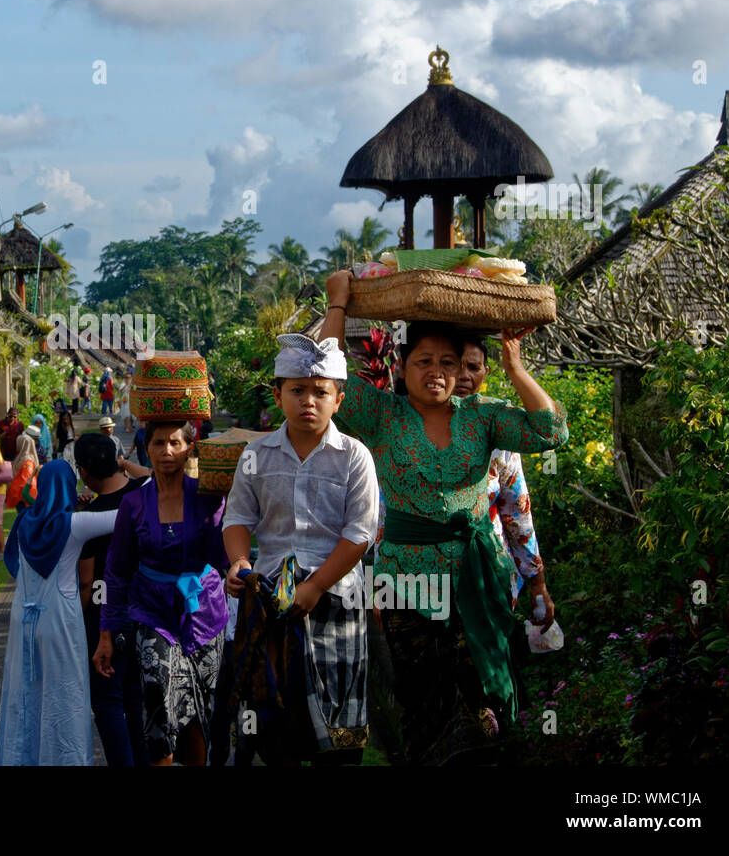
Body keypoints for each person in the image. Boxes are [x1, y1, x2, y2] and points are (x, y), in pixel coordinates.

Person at [320, 270, 569, 765]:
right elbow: (328, 373)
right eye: (425, 361)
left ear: (460, 371)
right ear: (402, 366)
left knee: (482, 695)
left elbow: (552, 431)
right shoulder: (381, 415)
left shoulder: (484, 415)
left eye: (448, 362)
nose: (436, 371)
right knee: (421, 697)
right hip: (406, 580)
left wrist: (515, 367)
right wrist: (339, 305)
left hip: (477, 575)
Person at [223, 334, 379, 764]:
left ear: (338, 400)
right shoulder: (255, 455)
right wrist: (239, 561)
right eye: (297, 390)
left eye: (320, 391)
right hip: (272, 599)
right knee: (276, 726)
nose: (308, 400)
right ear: (278, 395)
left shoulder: (354, 456)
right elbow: (237, 518)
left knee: (338, 733)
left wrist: (314, 588)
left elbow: (360, 533)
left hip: (335, 602)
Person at [95, 421, 229, 766]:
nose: (166, 451)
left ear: (189, 448)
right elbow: (117, 570)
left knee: (201, 704)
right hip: (152, 611)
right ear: (147, 449)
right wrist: (106, 634)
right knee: (156, 694)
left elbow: (223, 557)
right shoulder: (134, 503)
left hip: (203, 612)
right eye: (158, 443)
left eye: (174, 443)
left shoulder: (209, 497)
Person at [0, 460, 120, 765]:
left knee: (23, 695)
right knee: (65, 697)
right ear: (67, 486)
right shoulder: (74, 525)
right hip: (60, 617)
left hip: (22, 617)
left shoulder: (24, 522)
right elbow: (124, 516)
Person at [455, 336, 556, 626]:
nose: (464, 376)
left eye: (473, 367)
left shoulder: (497, 427)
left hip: (490, 573)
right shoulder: (406, 426)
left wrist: (537, 583)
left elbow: (517, 512)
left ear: (486, 372)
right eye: (454, 365)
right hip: (420, 579)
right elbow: (386, 513)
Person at [74, 434, 148, 766]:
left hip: (105, 616)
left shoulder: (88, 517)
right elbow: (148, 473)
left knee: (106, 700)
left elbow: (86, 581)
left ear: (84, 472)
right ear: (116, 459)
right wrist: (125, 464)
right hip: (146, 608)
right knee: (136, 697)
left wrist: (77, 619)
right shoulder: (145, 493)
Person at [7, 428, 40, 509]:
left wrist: (23, 495)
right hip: (21, 496)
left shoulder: (27, 461)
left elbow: (26, 479)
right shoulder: (22, 458)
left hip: (23, 498)